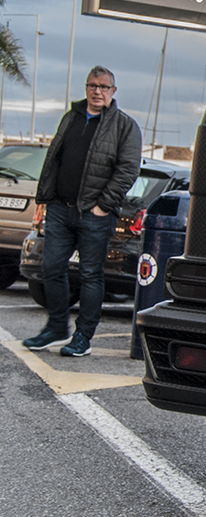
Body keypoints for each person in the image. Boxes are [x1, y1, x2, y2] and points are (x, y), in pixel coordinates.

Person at [23, 66, 141, 357]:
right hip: (60, 209)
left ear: (113, 91)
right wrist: (48, 197)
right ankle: (56, 327)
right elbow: (55, 157)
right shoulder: (71, 117)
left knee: (90, 275)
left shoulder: (125, 126)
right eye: (92, 85)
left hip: (94, 214)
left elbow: (128, 170)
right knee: (51, 268)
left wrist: (103, 206)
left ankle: (83, 337)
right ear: (86, 88)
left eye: (103, 87)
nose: (97, 91)